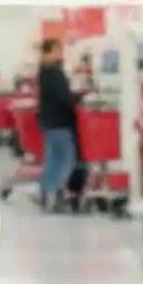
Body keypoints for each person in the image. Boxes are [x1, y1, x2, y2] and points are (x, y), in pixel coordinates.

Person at [37, 38, 80, 211]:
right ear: (51, 51)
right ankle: (57, 194)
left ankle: (46, 193)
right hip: (60, 121)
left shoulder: (43, 72)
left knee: (52, 160)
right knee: (66, 159)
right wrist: (76, 100)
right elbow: (63, 97)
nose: (60, 54)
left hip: (49, 122)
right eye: (58, 50)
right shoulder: (54, 72)